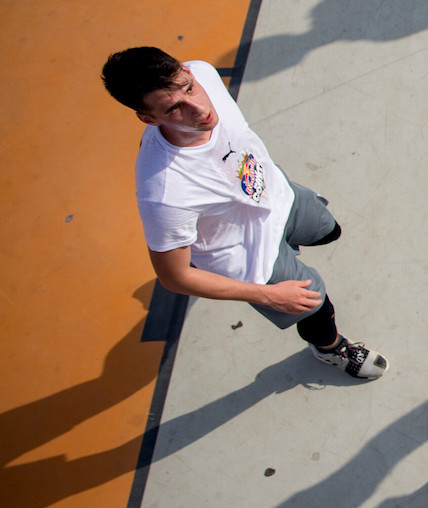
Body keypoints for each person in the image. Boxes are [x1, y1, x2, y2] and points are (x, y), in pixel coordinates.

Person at [101, 48, 387, 380]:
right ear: (148, 119)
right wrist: (268, 295)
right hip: (249, 254)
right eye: (174, 108)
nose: (199, 109)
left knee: (330, 231)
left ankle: (289, 238)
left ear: (186, 71)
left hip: (278, 195)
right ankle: (330, 349)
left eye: (188, 88)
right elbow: (174, 277)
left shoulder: (203, 71)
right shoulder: (165, 194)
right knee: (316, 307)